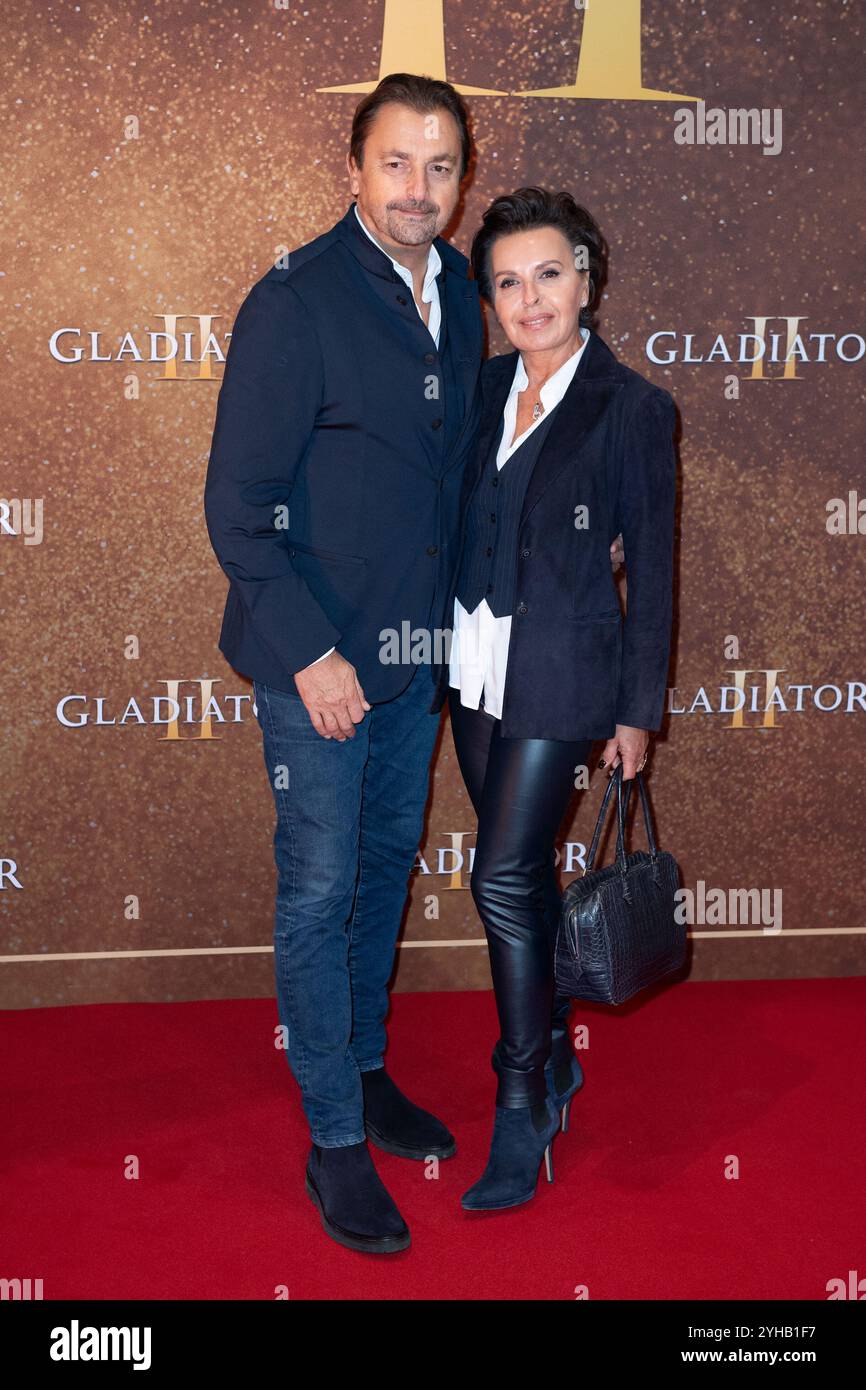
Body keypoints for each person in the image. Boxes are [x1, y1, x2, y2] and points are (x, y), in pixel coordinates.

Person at [204, 74, 486, 1255]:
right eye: (395, 165)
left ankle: (365, 1072)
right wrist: (314, 657)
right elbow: (236, 509)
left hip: (414, 656)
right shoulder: (295, 302)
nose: (418, 190)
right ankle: (330, 1139)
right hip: (312, 661)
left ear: (461, 178)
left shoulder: (465, 292)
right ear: (353, 171)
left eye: (439, 167)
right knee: (319, 895)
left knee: (378, 873)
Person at [442, 187, 677, 1212]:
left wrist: (636, 710)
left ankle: (520, 1087)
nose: (527, 297)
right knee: (523, 878)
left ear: (584, 276)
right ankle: (556, 1064)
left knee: (497, 878)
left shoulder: (631, 408)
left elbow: (656, 571)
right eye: (505, 281)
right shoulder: (479, 384)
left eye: (546, 273)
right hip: (470, 664)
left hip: (563, 675)